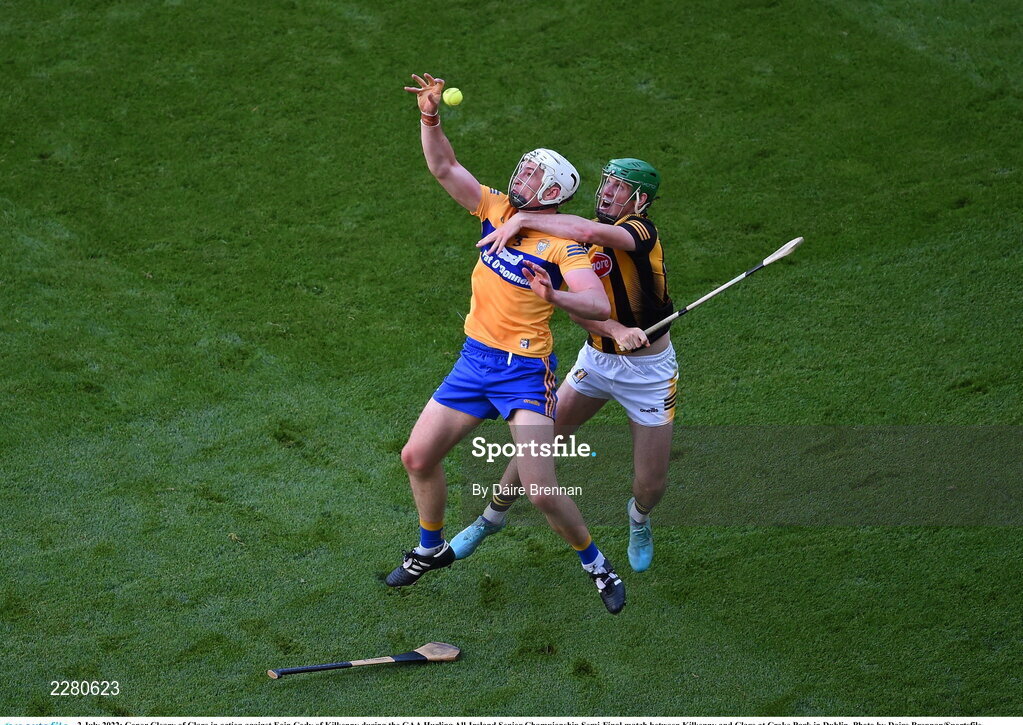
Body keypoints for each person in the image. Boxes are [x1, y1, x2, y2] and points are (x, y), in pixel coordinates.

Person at [388, 72, 626, 614]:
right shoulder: (497, 210)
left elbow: (598, 307)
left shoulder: (565, 249)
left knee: (541, 491)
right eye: (525, 166)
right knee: (417, 456)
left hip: (524, 372)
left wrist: (556, 297)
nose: (522, 174)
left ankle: (596, 564)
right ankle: (430, 548)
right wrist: (430, 116)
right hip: (475, 362)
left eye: (534, 173)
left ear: (554, 192)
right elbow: (444, 167)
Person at [451, 158, 675, 573]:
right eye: (606, 182)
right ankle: (490, 517)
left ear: (640, 200)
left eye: (618, 187)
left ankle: (639, 517)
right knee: (540, 440)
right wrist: (613, 328)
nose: (606, 191)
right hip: (597, 360)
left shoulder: (640, 231)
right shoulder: (574, 242)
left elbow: (587, 229)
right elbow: (578, 311)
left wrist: (518, 222)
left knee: (651, 481)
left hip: (649, 373)